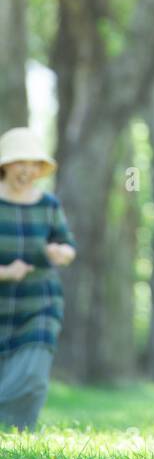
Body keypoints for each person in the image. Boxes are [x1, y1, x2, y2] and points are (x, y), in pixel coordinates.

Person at [0, 128, 76, 431]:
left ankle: (12, 429)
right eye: (21, 162)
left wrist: (61, 252)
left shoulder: (48, 205)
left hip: (39, 301)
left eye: (34, 164)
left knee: (32, 373)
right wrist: (5, 273)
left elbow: (68, 245)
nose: (28, 170)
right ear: (6, 165)